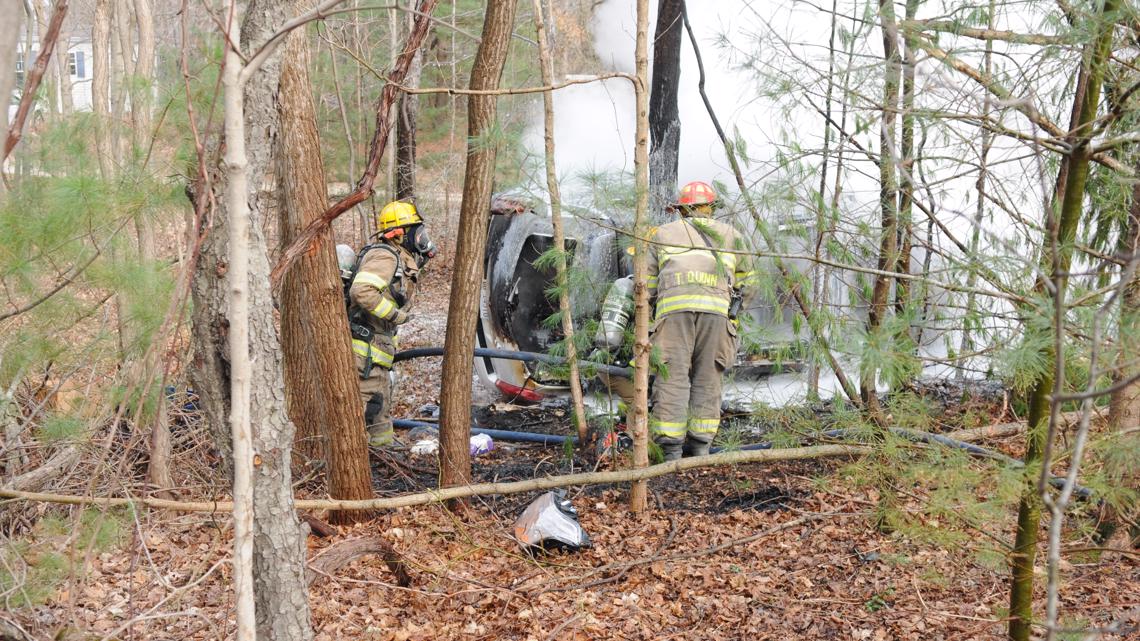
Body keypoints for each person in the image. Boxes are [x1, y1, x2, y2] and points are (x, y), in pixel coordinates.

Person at [647, 181, 754, 460]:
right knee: (708, 377)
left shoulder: (661, 234)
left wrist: (646, 323)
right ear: (711, 208)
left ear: (682, 210)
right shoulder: (732, 235)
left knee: (671, 377)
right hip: (717, 317)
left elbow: (645, 285)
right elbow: (749, 283)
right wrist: (734, 313)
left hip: (672, 317)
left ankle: (670, 452)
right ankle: (701, 449)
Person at [347, 200, 436, 447]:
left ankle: (383, 461)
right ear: (398, 234)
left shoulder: (398, 259)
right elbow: (362, 291)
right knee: (361, 418)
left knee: (379, 417)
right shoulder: (385, 256)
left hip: (376, 357)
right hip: (363, 356)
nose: (422, 238)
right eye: (416, 231)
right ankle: (365, 466)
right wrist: (397, 316)